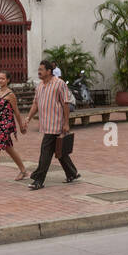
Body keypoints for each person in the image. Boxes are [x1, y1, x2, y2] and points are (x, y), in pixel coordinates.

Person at [23, 60, 78, 190]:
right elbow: (35, 104)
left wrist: (66, 123)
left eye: (41, 69)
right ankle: (72, 173)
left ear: (49, 71)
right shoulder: (40, 86)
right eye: (39, 69)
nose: (39, 71)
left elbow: (65, 103)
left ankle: (38, 180)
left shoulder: (59, 84)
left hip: (56, 124)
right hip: (46, 124)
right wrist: (28, 118)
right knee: (59, 151)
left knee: (45, 152)